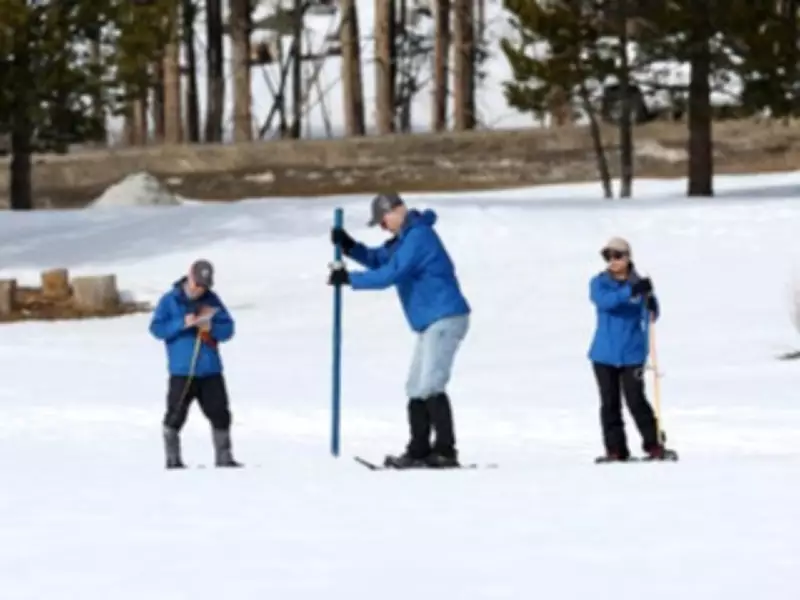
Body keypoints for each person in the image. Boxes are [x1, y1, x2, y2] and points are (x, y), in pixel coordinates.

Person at [328, 192, 471, 468]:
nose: (384, 228)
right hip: (430, 320)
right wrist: (349, 246)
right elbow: (380, 259)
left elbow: (390, 274)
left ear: (396, 211)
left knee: (430, 384)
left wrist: (349, 278)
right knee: (415, 387)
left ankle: (445, 451)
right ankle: (418, 449)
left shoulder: (419, 237)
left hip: (445, 315)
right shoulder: (405, 239)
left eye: (383, 222)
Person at [588, 237, 677, 462]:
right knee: (610, 403)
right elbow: (605, 302)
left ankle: (654, 444)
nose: (613, 261)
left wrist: (650, 304)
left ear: (628, 257)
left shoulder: (640, 284)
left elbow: (652, 314)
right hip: (604, 354)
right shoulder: (599, 283)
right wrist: (629, 291)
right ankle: (616, 450)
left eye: (617, 256)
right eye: (608, 256)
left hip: (632, 353)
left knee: (636, 400)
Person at [149, 259, 241, 469]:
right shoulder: (170, 300)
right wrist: (182, 323)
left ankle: (224, 457)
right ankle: (173, 459)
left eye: (205, 286)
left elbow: (228, 330)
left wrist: (211, 327)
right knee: (175, 414)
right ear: (189, 277)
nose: (200, 289)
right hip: (182, 370)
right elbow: (156, 329)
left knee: (220, 413)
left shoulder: (213, 301)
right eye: (197, 284)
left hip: (210, 369)